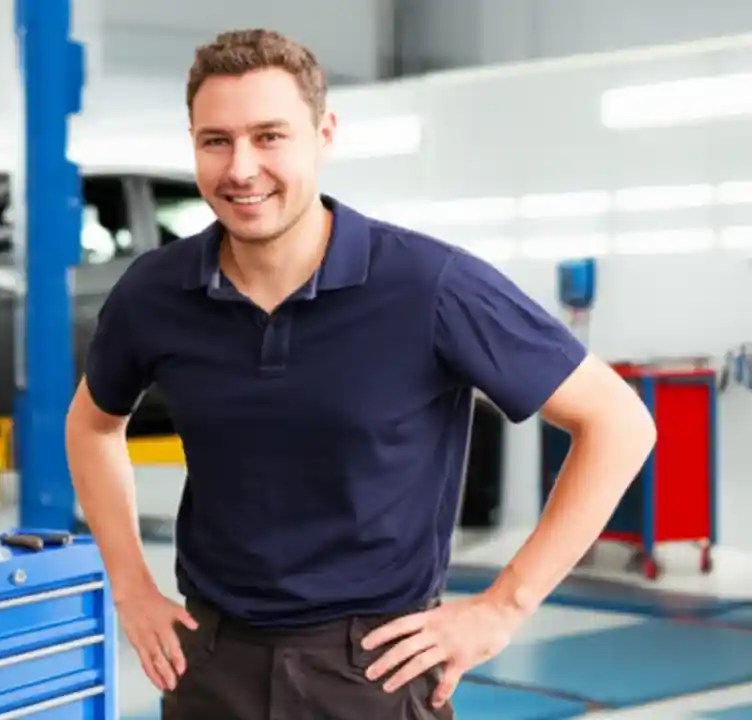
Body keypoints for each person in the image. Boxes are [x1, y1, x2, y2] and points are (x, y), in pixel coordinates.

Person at [64, 27, 657, 720]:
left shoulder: (430, 286)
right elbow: (93, 426)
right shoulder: (155, 293)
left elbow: (618, 422)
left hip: (373, 670)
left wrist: (504, 605)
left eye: (270, 136)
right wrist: (131, 585)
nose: (241, 168)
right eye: (216, 140)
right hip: (211, 666)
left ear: (324, 134)